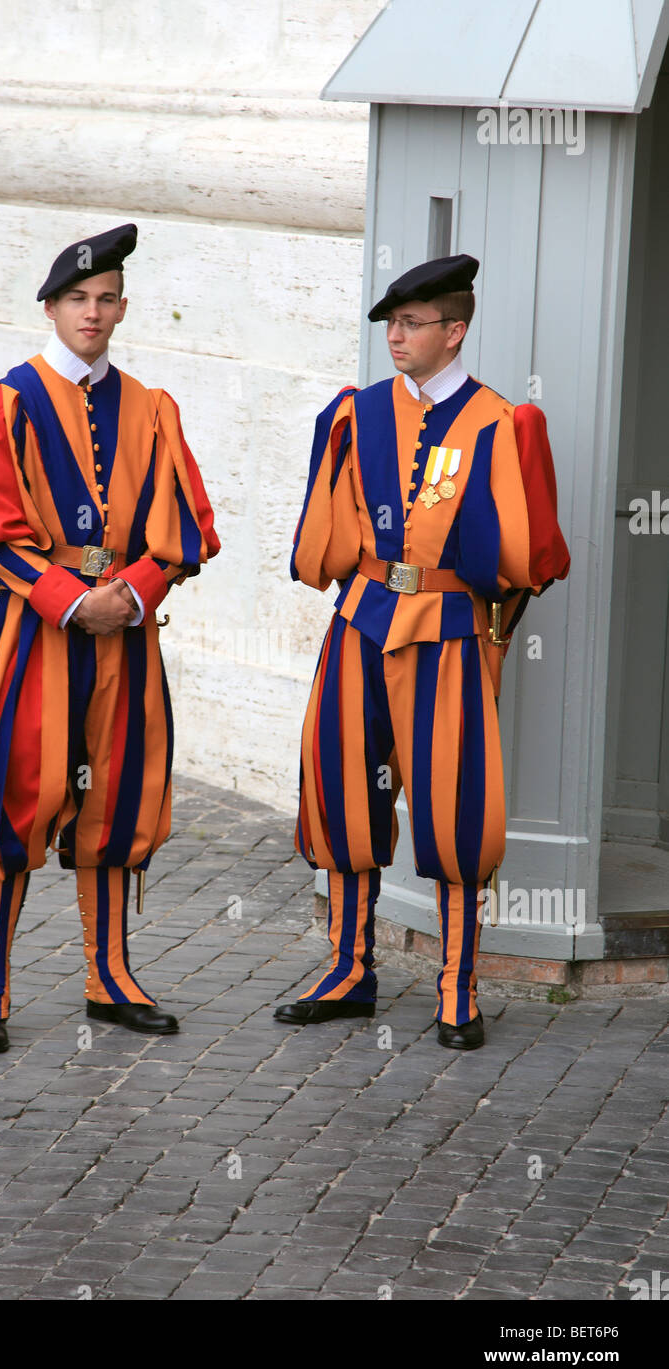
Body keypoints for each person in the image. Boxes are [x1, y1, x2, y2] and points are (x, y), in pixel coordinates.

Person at [0, 224, 219, 1053]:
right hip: (36, 636)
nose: (92, 313)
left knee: (118, 800)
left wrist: (133, 592)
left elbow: (186, 531)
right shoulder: (4, 401)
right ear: (51, 308)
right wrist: (69, 598)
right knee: (17, 797)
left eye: (106, 299)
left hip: (126, 636)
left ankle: (111, 977)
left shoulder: (152, 410)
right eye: (77, 300)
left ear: (123, 308)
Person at [275, 254, 569, 1049]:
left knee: (456, 803)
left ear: (455, 330)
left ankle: (456, 985)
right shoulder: (359, 413)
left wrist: (491, 632)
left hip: (447, 629)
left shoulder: (499, 422)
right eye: (392, 325)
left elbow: (531, 557)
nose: (395, 337)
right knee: (342, 788)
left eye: (411, 324)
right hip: (363, 618)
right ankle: (347, 969)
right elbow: (325, 539)